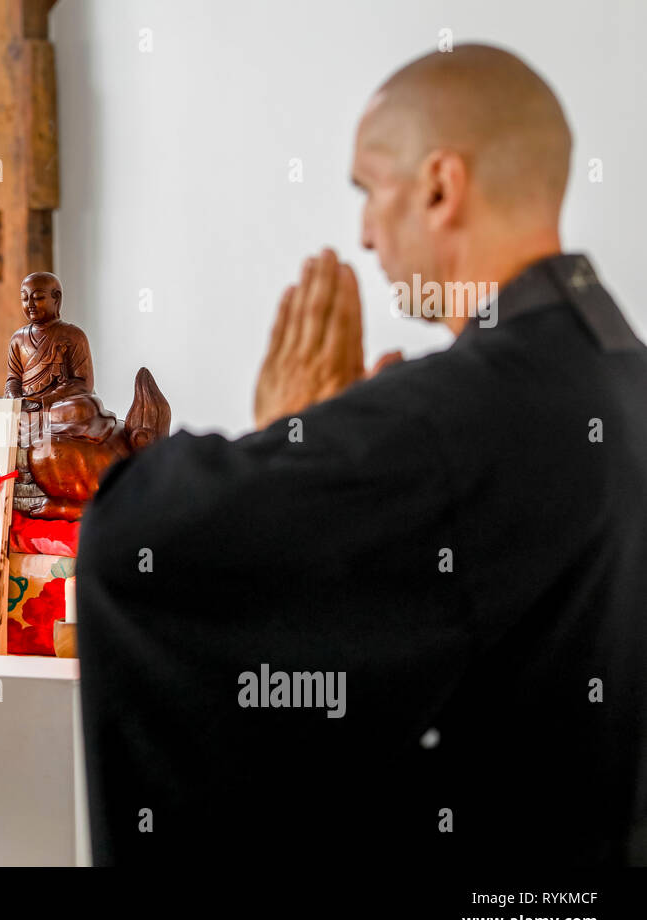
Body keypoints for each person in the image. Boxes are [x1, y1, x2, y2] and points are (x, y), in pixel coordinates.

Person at [76, 44, 647, 865]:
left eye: (372, 190)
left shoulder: (453, 419)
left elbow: (139, 546)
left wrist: (288, 433)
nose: (366, 234)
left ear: (441, 187)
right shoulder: (619, 373)